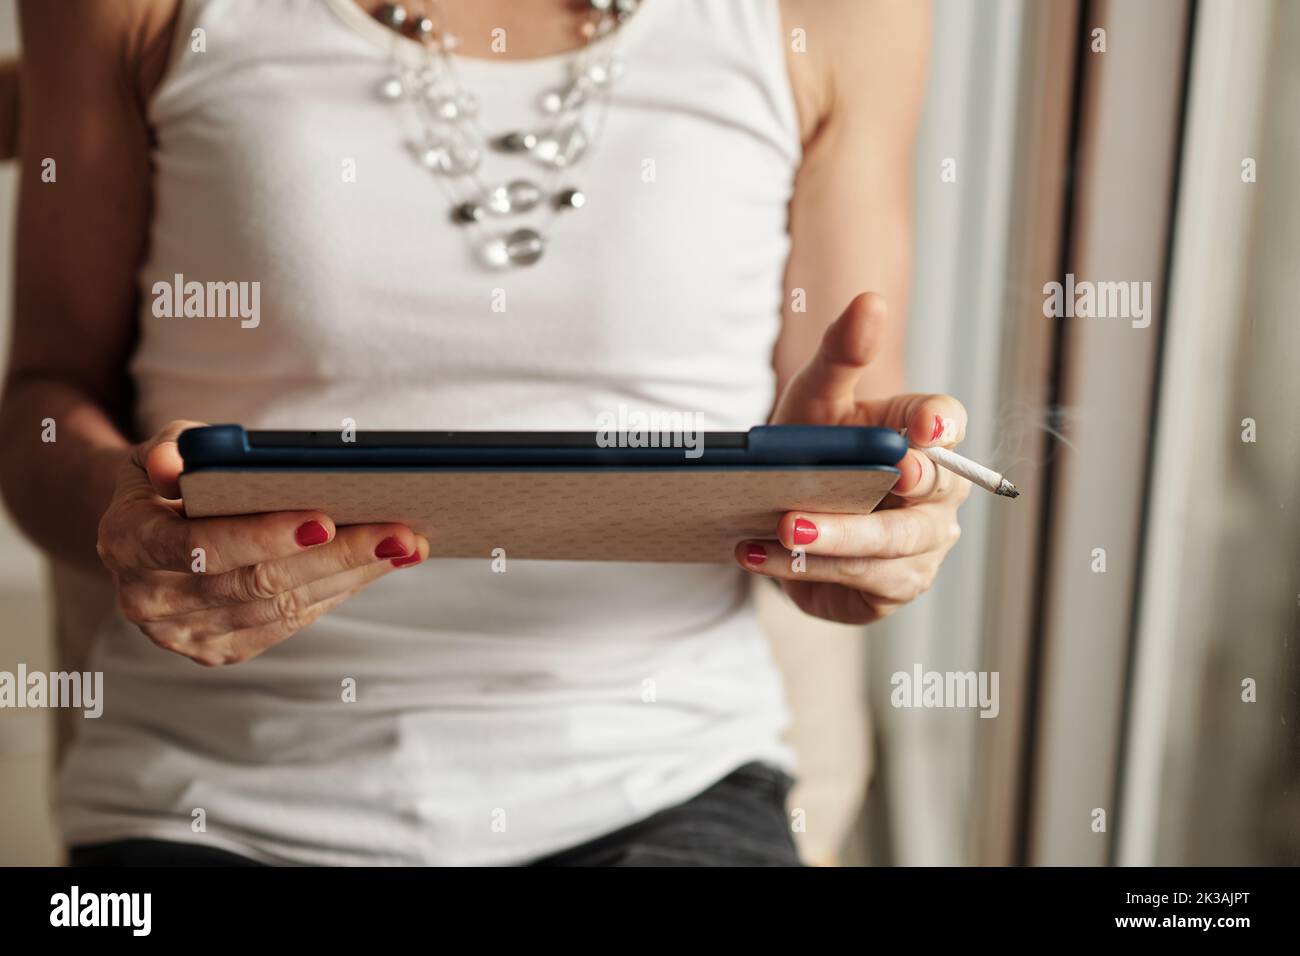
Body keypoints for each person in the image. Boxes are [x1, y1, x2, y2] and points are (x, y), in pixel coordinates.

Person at [0, 0, 967, 866]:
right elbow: (42, 403)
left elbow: (848, 445)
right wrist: (124, 516)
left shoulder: (842, 17)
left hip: (665, 783)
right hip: (210, 797)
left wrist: (857, 542)